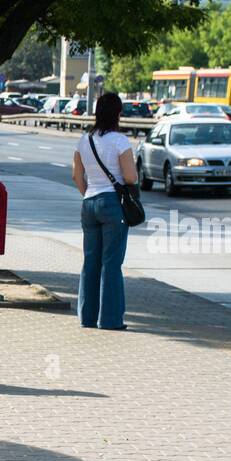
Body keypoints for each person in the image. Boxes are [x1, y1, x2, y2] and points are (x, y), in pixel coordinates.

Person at [72, 91, 137, 330]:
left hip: (89, 203)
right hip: (112, 205)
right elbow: (130, 176)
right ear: (118, 114)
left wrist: (88, 194)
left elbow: (76, 175)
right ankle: (110, 320)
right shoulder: (120, 141)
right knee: (111, 263)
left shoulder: (84, 140)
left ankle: (87, 317)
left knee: (91, 261)